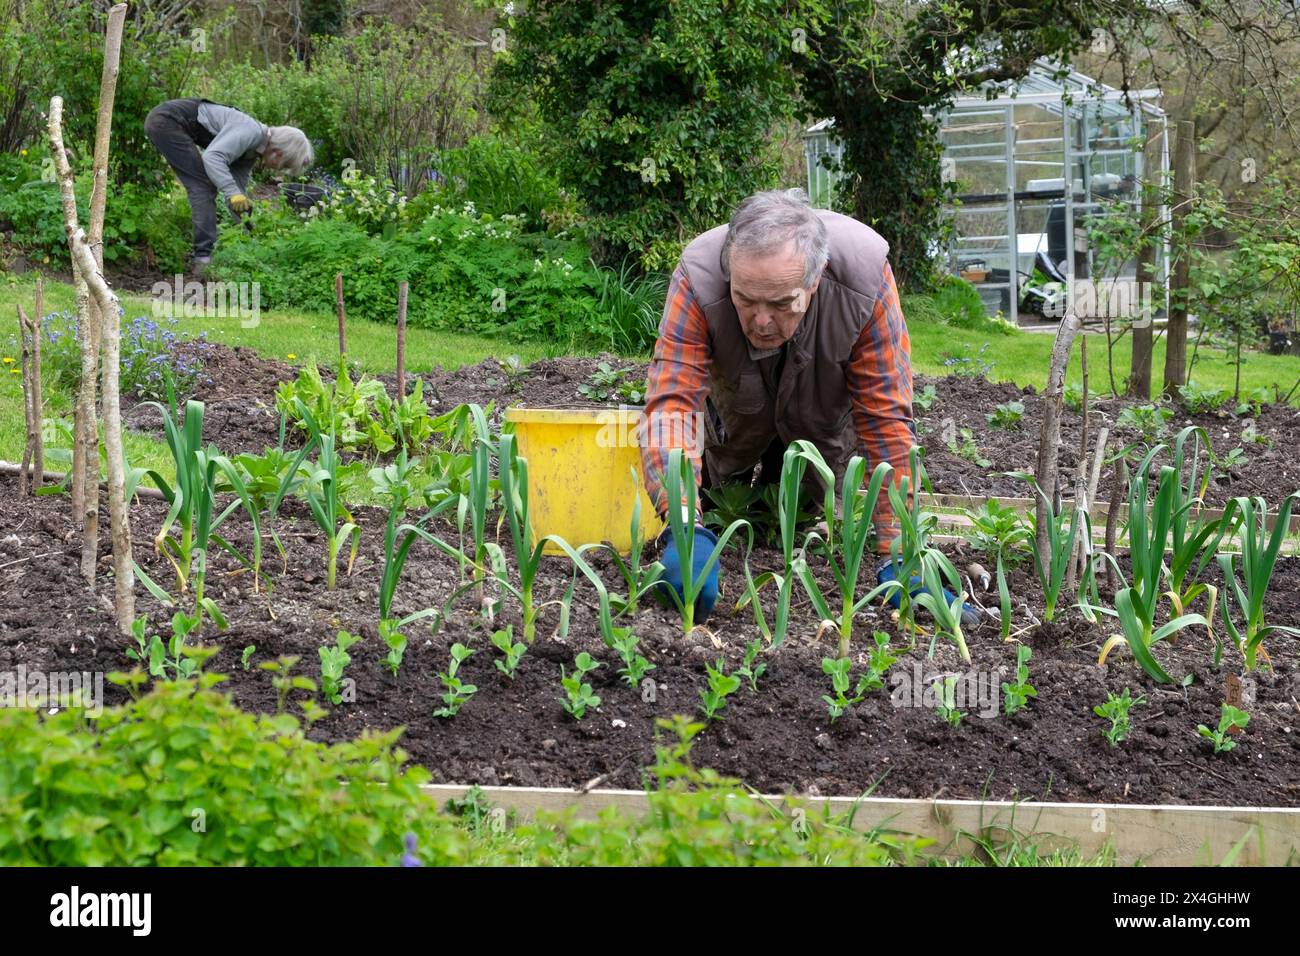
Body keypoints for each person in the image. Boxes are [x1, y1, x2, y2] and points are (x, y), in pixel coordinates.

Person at [639, 187, 979, 629]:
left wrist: (902, 551)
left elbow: (886, 420)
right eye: (745, 300)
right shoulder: (700, 276)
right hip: (730, 424)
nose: (762, 321)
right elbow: (671, 406)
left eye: (782, 304)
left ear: (814, 281)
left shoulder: (864, 280)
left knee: (798, 516)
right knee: (723, 512)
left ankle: (796, 494)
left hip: (817, 429)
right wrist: (683, 526)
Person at [144, 98, 313, 274]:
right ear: (278, 154)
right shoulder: (251, 132)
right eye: (285, 165)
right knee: (203, 187)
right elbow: (212, 158)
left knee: (209, 187)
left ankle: (203, 256)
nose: (280, 170)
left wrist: (248, 227)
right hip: (168, 121)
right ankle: (203, 259)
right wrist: (232, 192)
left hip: (172, 123)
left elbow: (236, 195)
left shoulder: (250, 153)